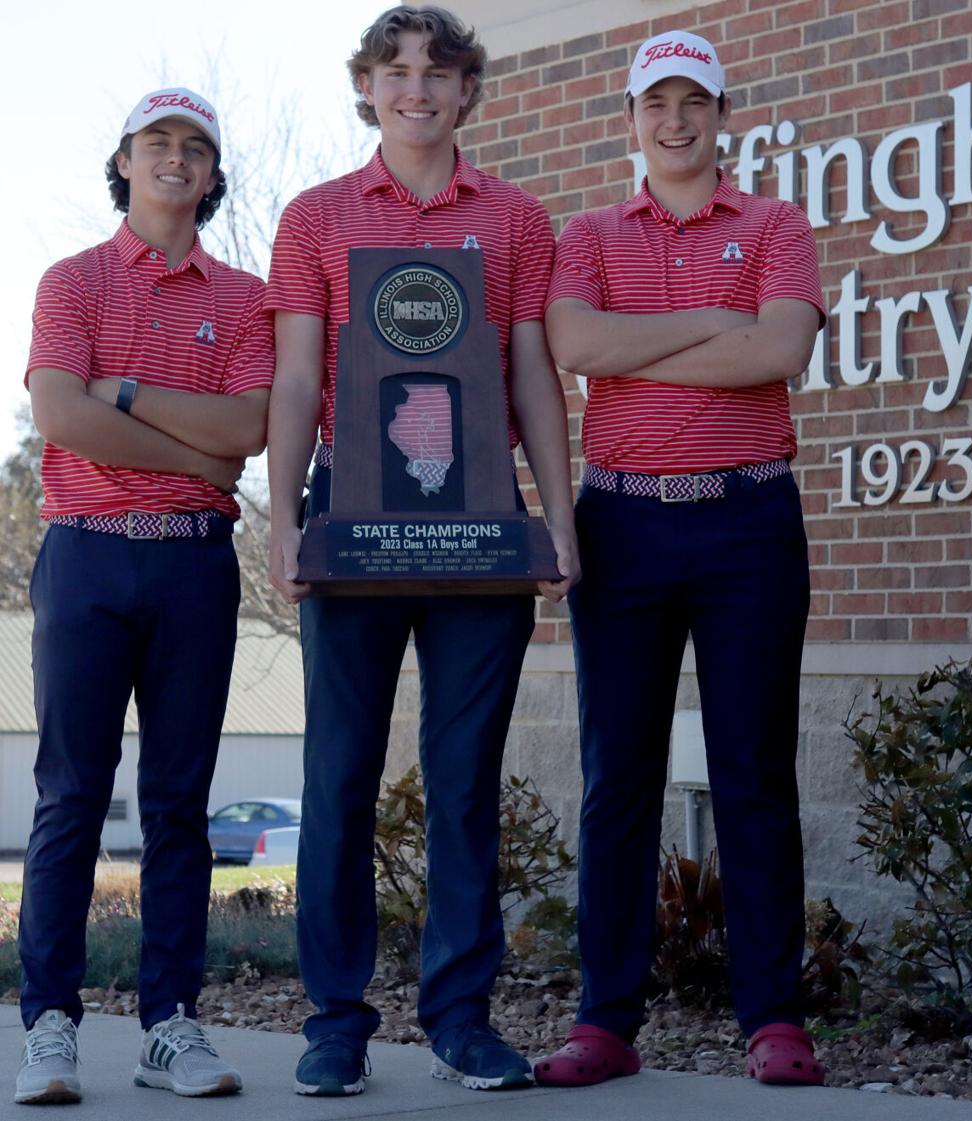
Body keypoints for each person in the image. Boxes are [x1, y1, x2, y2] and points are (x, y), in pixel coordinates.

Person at [264, 4, 577, 1097]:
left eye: (439, 72)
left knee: (462, 783)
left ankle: (460, 1018)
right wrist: (282, 523)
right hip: (349, 519)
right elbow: (298, 379)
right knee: (338, 775)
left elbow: (533, 373)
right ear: (367, 88)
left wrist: (560, 518)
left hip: (480, 524)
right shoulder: (314, 219)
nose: (416, 88)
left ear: (467, 91)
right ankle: (334, 1022)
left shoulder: (519, 220)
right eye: (395, 71)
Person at [534, 30, 827, 1089]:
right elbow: (576, 347)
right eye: (654, 104)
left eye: (691, 102)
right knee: (619, 777)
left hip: (748, 520)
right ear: (629, 121)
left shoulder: (777, 224)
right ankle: (605, 1018)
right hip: (624, 524)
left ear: (720, 112)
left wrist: (645, 338)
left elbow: (780, 349)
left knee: (755, 771)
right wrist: (714, 319)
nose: (673, 121)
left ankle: (774, 1015)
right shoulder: (590, 232)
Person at [16, 88, 273, 1105]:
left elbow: (249, 427)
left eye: (195, 148)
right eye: (157, 142)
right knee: (69, 799)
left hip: (192, 569)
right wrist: (193, 454)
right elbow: (62, 418)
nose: (175, 158)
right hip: (83, 558)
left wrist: (124, 395)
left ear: (212, 177)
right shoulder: (71, 282)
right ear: (123, 161)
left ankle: (171, 1022)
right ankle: (50, 1026)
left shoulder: (248, 297)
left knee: (177, 806)